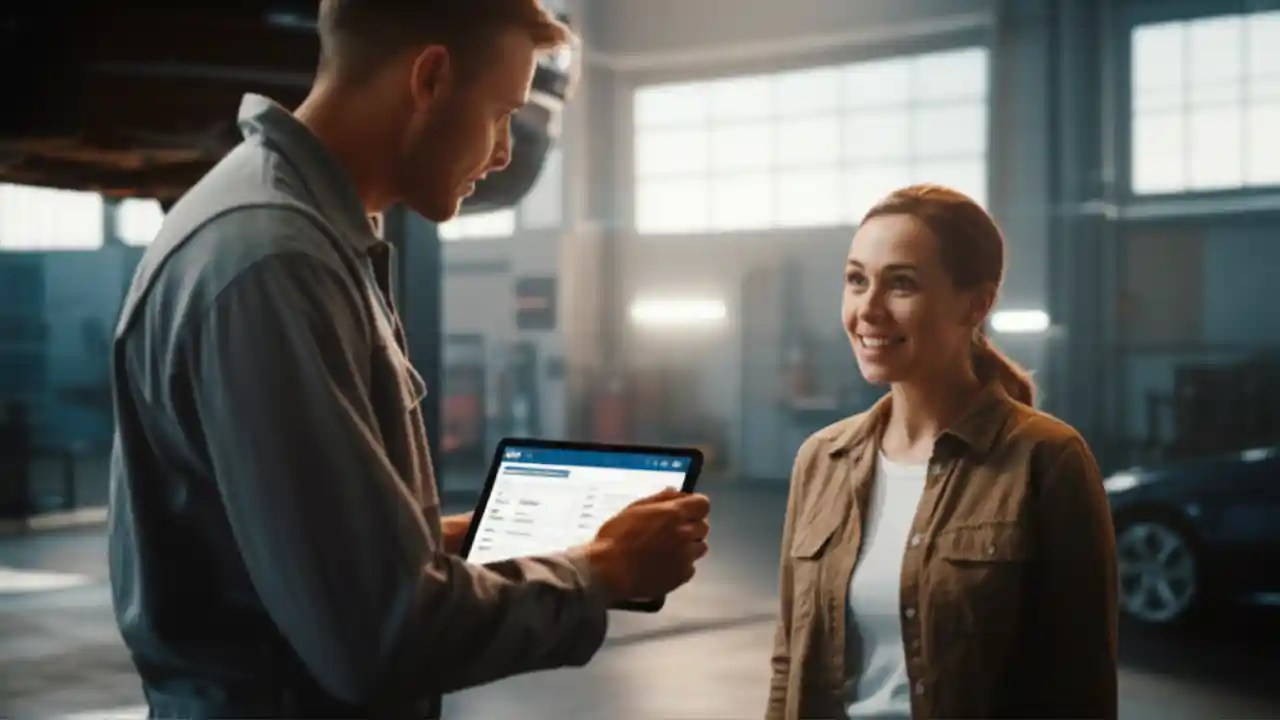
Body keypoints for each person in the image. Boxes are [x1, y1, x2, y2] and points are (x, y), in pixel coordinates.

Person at [107, 1, 711, 717]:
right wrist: (602, 570)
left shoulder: (291, 228)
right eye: (500, 113)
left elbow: (288, 545)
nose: (504, 153)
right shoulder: (276, 261)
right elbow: (381, 636)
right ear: (429, 78)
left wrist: (452, 540)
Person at [766, 185, 1117, 720]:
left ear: (976, 302)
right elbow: (790, 664)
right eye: (857, 280)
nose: (868, 309)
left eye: (901, 284)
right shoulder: (821, 459)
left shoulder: (1046, 459)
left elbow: (1078, 688)